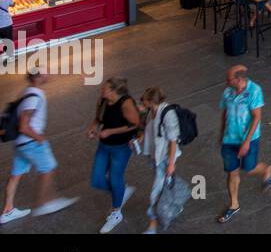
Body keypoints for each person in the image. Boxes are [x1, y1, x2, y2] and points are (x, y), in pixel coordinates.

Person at [1, 69, 78, 225]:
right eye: (45, 73)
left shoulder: (26, 92)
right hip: (30, 142)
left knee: (16, 174)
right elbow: (23, 126)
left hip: (20, 143)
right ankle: (44, 203)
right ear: (38, 77)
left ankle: (7, 210)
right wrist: (40, 139)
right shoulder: (35, 96)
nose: (48, 75)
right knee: (48, 168)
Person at [217, 66, 271, 225]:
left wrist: (246, 142)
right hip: (229, 140)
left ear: (239, 79)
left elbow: (256, 118)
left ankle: (266, 170)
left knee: (249, 168)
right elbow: (225, 112)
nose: (226, 82)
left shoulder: (254, 91)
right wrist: (221, 133)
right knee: (232, 172)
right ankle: (234, 204)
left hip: (248, 139)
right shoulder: (227, 92)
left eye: (229, 80)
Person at [87, 78, 141, 234]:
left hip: (121, 147)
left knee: (114, 177)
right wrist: (92, 128)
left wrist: (110, 131)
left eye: (105, 88)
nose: (102, 90)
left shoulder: (126, 103)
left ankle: (116, 213)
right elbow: (98, 119)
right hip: (104, 145)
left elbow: (134, 124)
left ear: (114, 91)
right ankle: (121, 191)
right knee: (97, 179)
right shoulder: (102, 101)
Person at [138, 87, 181, 235]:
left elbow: (174, 141)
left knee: (155, 191)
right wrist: (141, 139)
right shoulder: (152, 111)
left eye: (144, 99)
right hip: (155, 155)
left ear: (151, 101)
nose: (142, 101)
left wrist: (171, 164)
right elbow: (150, 129)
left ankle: (152, 225)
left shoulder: (168, 114)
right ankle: (174, 204)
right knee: (165, 185)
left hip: (165, 158)